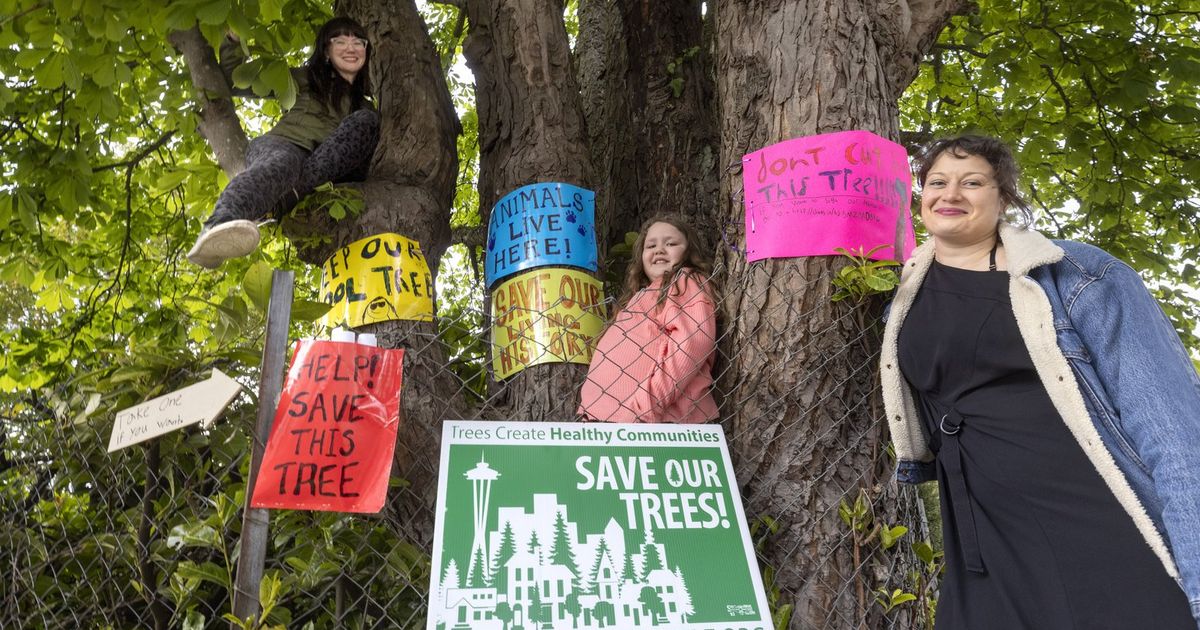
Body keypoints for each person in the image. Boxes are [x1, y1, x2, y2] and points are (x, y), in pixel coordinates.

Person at [880, 134, 1200, 628]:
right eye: (937, 182)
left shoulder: (1078, 275)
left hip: (1095, 522)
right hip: (983, 536)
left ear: (1004, 197)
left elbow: (1171, 430)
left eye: (972, 183)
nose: (950, 194)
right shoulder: (902, 294)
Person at [187, 17, 380, 269]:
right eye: (340, 41)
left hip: (324, 172)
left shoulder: (366, 108)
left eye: (358, 42)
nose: (350, 48)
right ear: (326, 50)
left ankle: (285, 199)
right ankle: (219, 225)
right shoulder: (306, 77)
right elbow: (236, 81)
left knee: (367, 120)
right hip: (283, 145)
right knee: (283, 164)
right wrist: (233, 40)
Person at [577, 215, 719, 423]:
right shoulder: (640, 296)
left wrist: (645, 408)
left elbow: (692, 343)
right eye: (651, 246)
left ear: (689, 252)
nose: (659, 250)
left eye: (671, 244)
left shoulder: (684, 281)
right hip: (608, 420)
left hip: (654, 420)